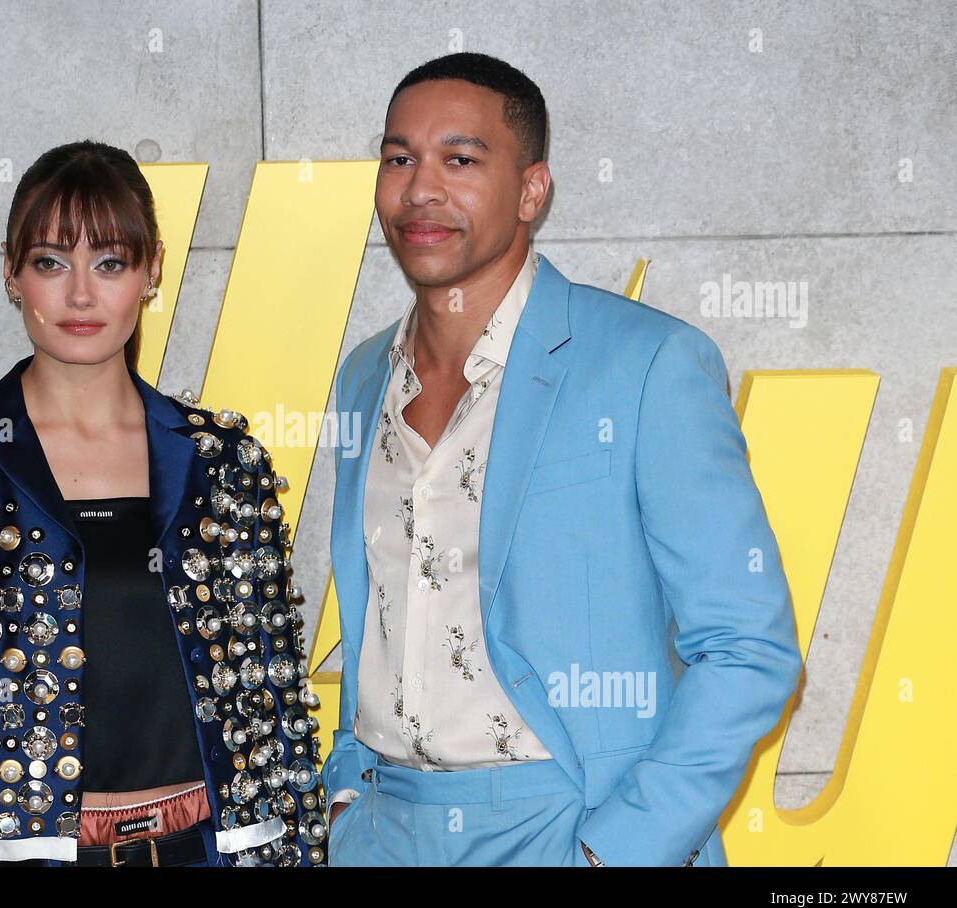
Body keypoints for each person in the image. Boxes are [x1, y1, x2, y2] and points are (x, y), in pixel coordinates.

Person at [321, 53, 803, 866]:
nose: (420, 188)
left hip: (566, 823)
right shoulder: (365, 375)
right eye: (398, 157)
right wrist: (344, 799)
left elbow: (750, 647)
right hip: (380, 827)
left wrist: (617, 850)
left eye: (460, 159)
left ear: (532, 191)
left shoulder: (646, 363)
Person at [0, 140, 327, 866]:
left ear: (151, 271)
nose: (81, 295)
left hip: (212, 849)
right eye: (51, 262)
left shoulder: (224, 462)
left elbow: (277, 714)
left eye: (110, 263)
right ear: (11, 273)